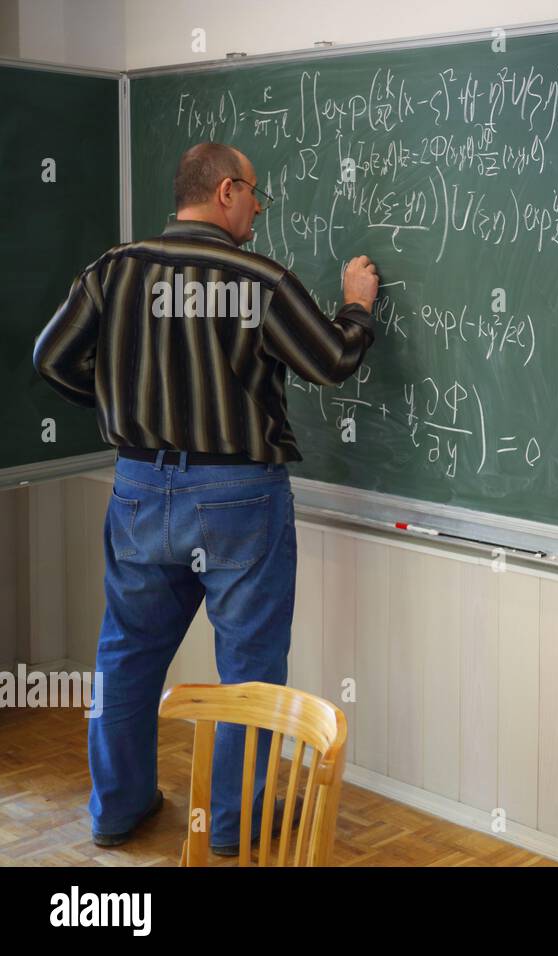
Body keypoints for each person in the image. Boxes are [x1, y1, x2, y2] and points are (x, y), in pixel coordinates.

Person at [32, 141, 379, 855]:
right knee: (248, 668)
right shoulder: (259, 279)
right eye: (255, 193)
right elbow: (332, 361)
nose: (259, 206)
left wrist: (117, 405)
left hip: (137, 485)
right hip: (237, 498)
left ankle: (116, 812)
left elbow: (51, 356)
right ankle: (233, 827)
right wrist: (357, 305)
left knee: (126, 656)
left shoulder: (115, 269)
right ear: (225, 191)